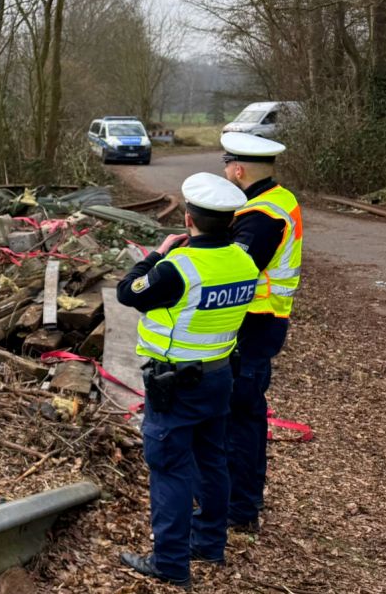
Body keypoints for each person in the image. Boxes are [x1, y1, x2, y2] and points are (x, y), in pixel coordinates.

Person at [116, 173, 260, 588]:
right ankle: (210, 544)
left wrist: (156, 254)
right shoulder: (244, 261)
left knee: (170, 469)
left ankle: (171, 562)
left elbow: (129, 292)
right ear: (230, 221)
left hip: (176, 384)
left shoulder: (177, 268)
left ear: (188, 219)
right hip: (219, 375)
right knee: (212, 460)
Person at [219, 132, 302, 532]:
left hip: (254, 321)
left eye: (227, 167)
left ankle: (240, 508)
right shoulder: (279, 199)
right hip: (267, 320)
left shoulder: (260, 216)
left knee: (240, 415)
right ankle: (246, 500)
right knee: (249, 415)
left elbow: (237, 268)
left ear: (238, 169)